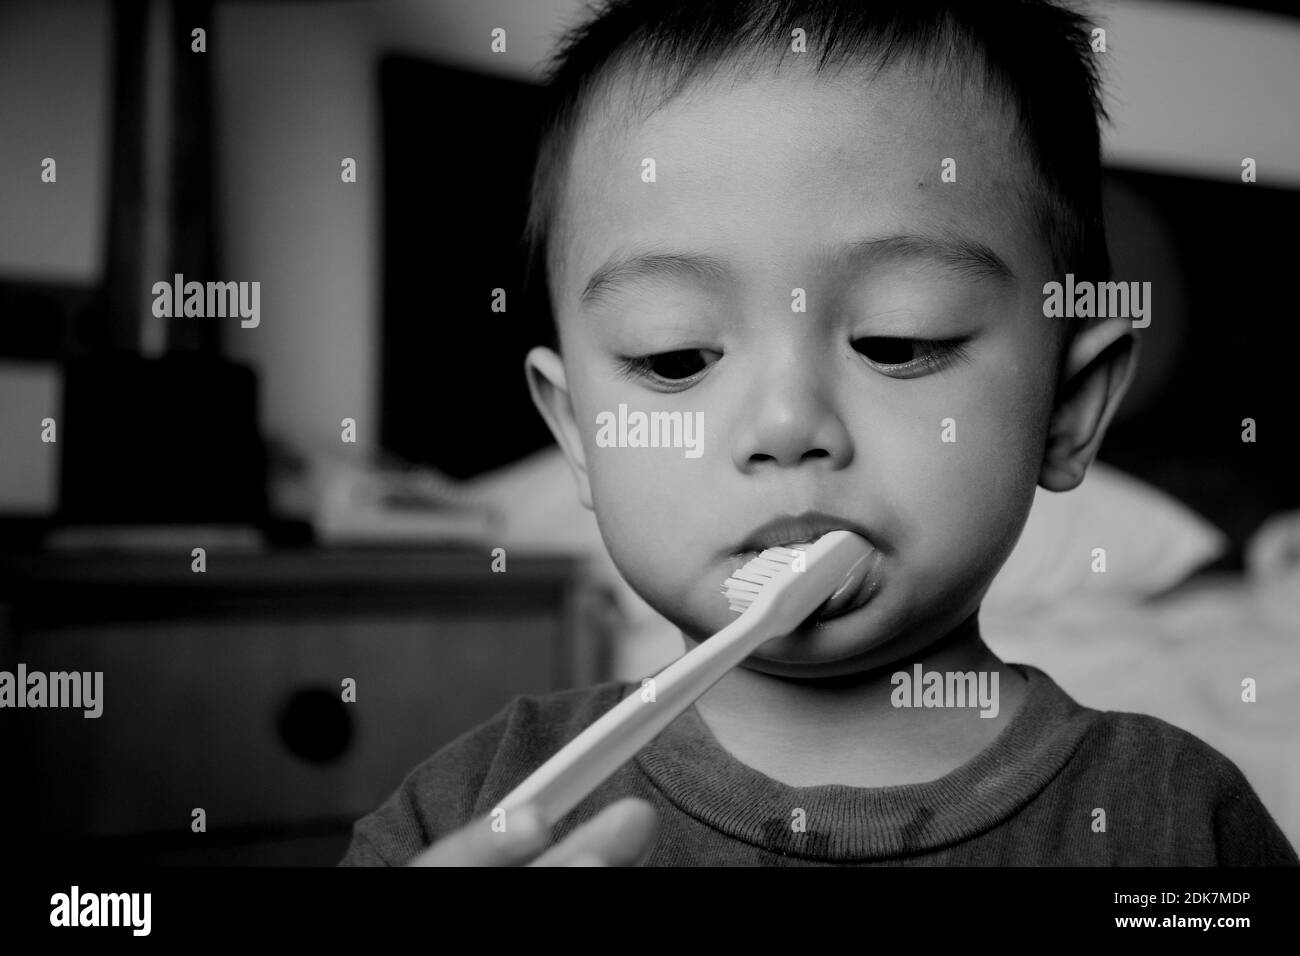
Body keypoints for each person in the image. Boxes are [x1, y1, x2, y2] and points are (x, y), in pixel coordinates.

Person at [339, 0, 1297, 866]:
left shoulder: (1177, 824)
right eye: (675, 358)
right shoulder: (462, 812)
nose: (788, 427)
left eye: (897, 341)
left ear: (1070, 409)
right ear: (580, 435)